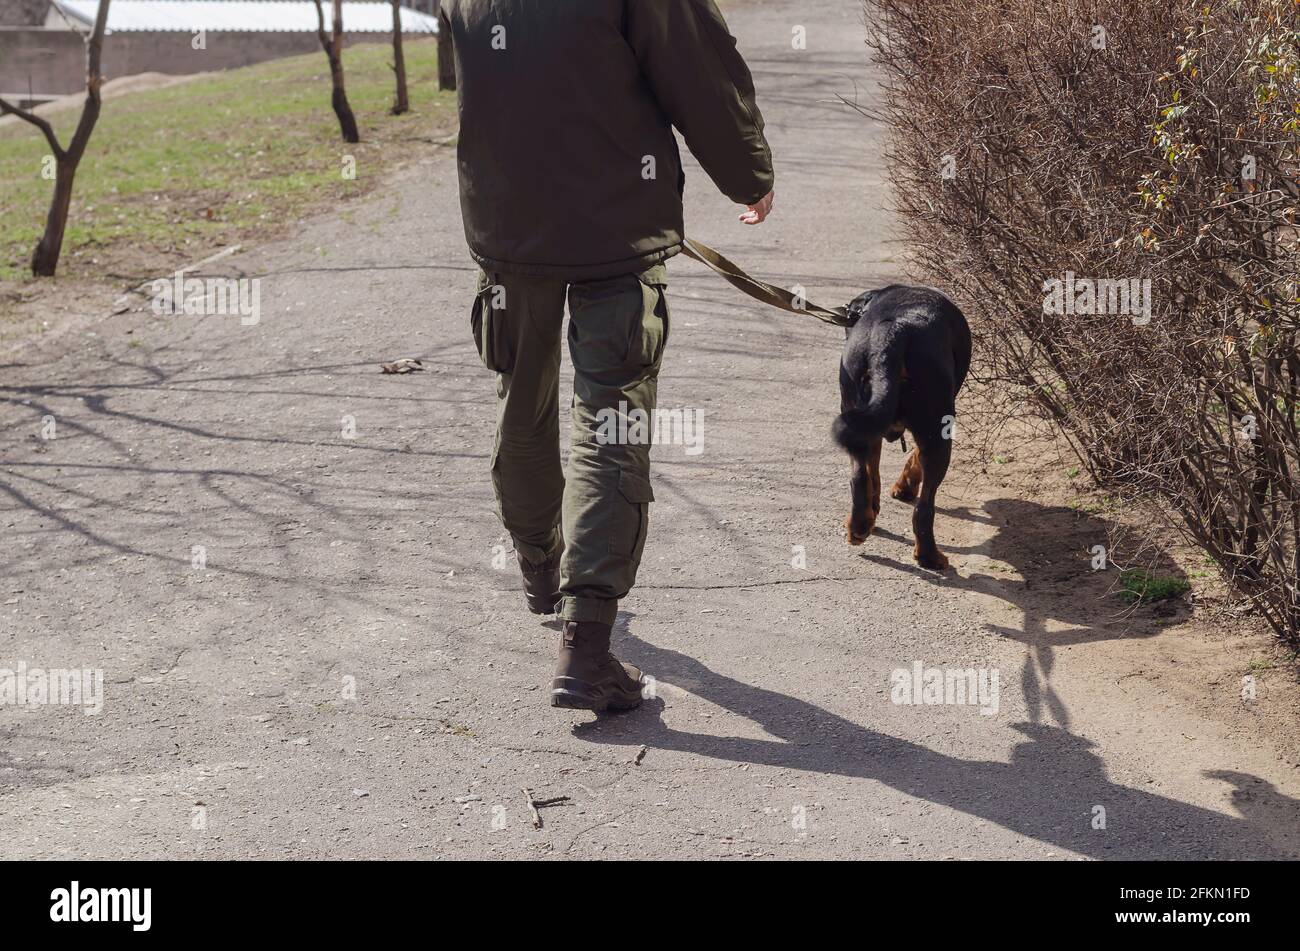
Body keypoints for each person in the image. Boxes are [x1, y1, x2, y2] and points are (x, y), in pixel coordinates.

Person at [442, 0, 774, 712]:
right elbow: (699, 68)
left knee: (522, 401)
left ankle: (541, 568)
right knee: (611, 417)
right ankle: (586, 641)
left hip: (508, 226)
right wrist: (748, 174)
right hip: (617, 231)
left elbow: (475, 75)